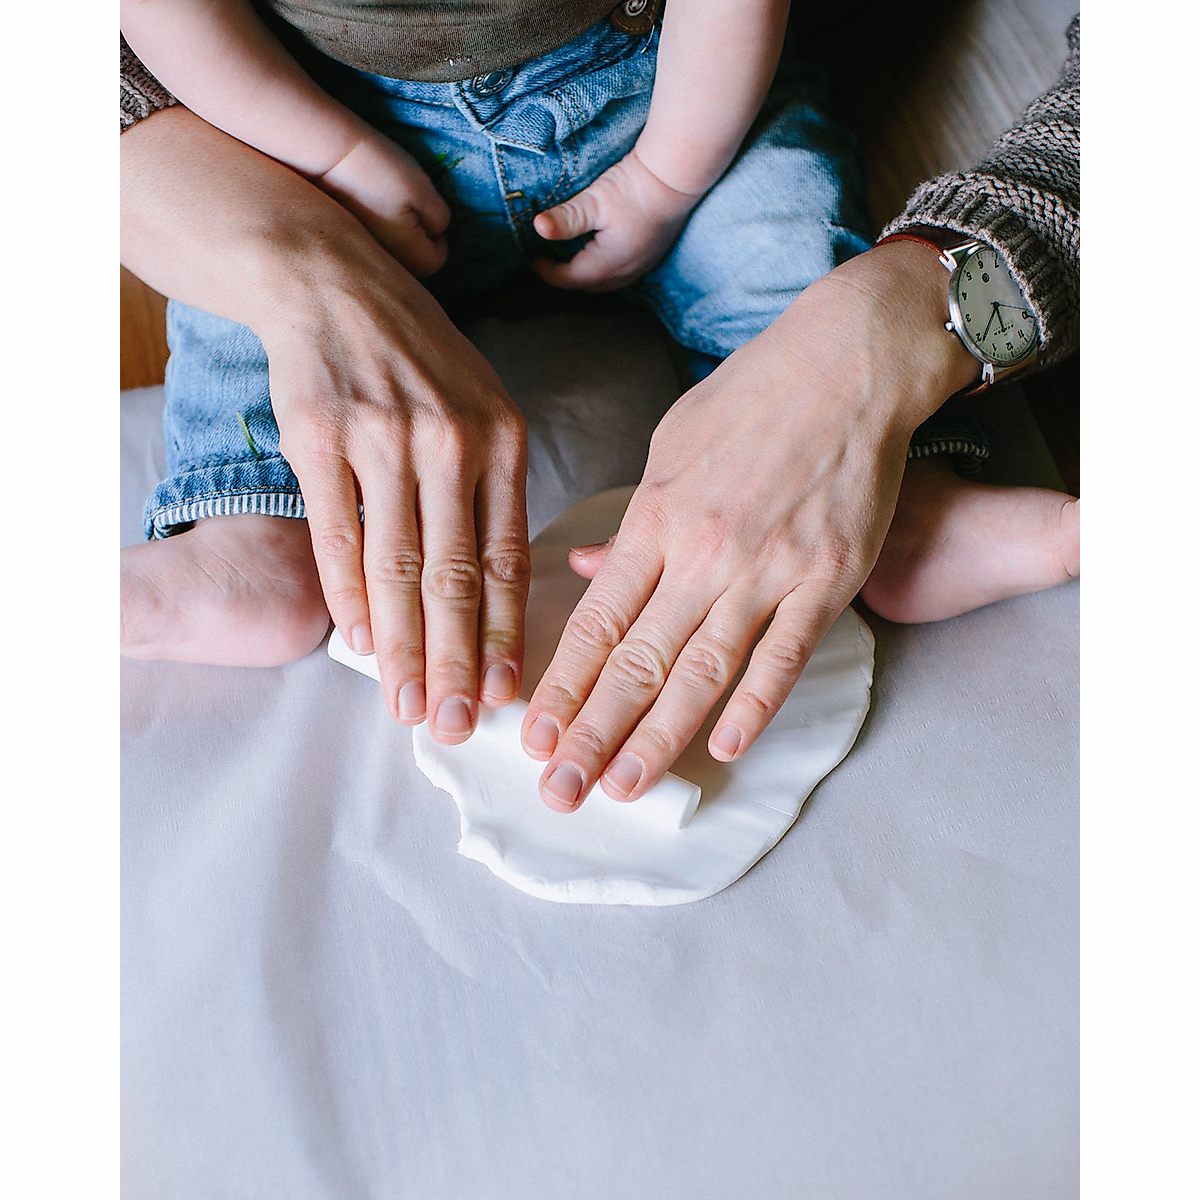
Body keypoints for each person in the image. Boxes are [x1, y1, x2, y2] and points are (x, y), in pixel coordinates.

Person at [120, 9, 1079, 815]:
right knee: (242, 297)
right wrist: (322, 155)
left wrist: (668, 174)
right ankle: (254, 524)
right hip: (320, 128)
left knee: (777, 212)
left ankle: (906, 490)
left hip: (658, 97)